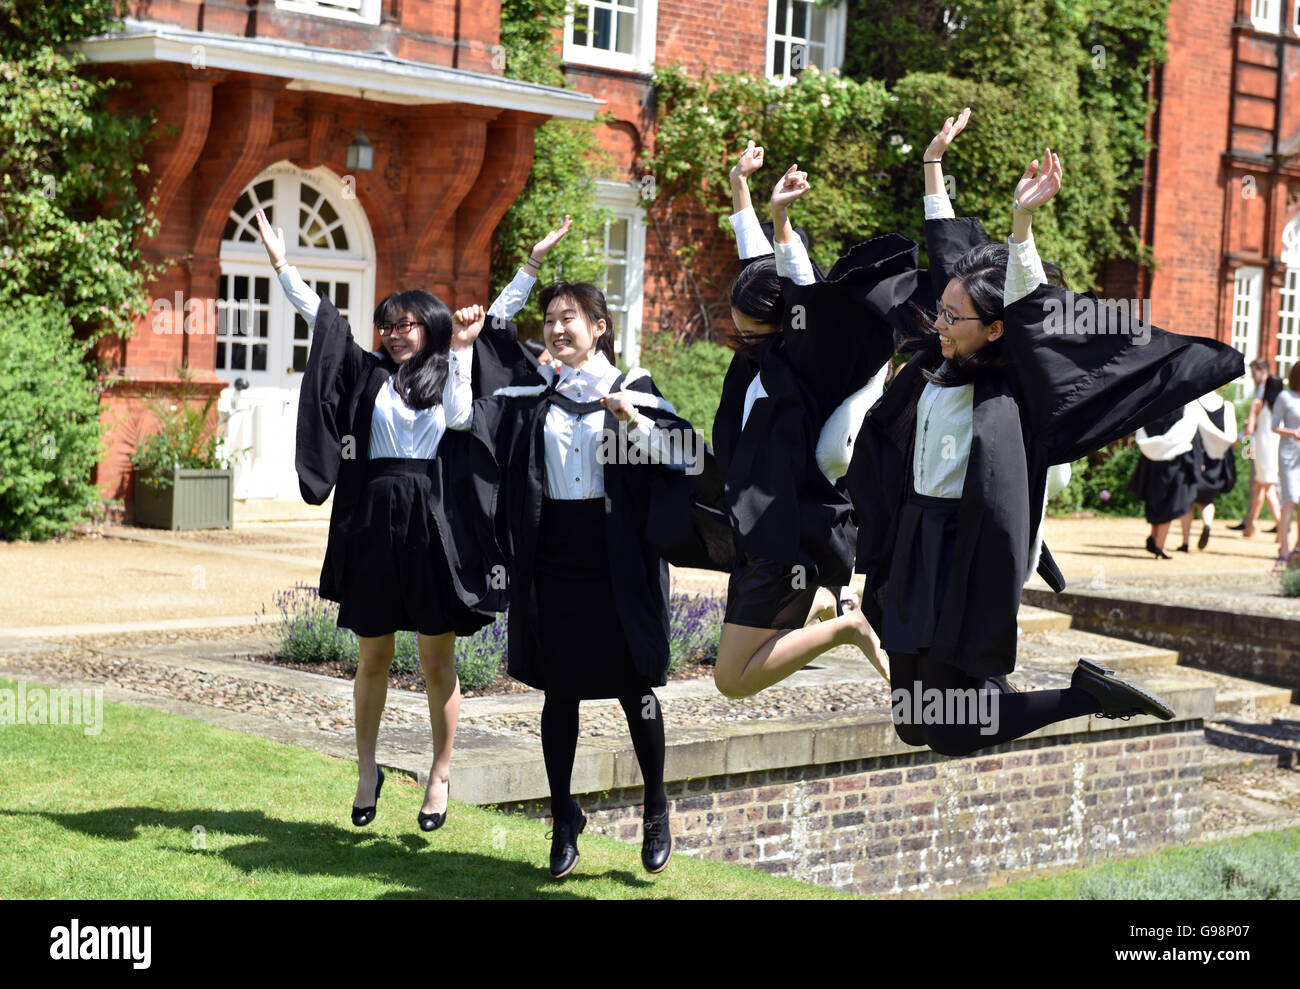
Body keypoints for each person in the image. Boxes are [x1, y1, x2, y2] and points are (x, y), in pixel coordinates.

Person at [845, 108, 1244, 757]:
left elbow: (1029, 308)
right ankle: (1050, 697)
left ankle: (1087, 695)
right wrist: (932, 167)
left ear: (994, 328)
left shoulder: (1014, 388)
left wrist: (1022, 221)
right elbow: (950, 250)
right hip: (913, 541)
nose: (938, 321)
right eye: (940, 309)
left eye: (954, 315)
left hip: (963, 553)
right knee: (913, 721)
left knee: (948, 729)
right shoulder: (935, 358)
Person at [257, 207, 569, 832]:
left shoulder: (451, 369)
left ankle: (440, 773)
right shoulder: (369, 374)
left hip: (433, 525)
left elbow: (483, 354)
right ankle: (367, 767)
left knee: (435, 663)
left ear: (427, 328)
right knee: (372, 657)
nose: (397, 333)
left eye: (407, 325)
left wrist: (530, 265)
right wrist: (282, 262)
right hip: (372, 519)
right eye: (389, 325)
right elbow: (320, 319)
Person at [451, 283, 699, 879]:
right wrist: (462, 347)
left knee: (635, 685)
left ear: (599, 326)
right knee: (559, 692)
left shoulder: (632, 386)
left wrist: (631, 419)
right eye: (550, 320)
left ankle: (656, 805)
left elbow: (686, 455)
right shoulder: (536, 395)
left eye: (570, 319)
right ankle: (564, 819)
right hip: (554, 556)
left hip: (619, 556)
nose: (558, 329)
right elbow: (461, 417)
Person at [710, 140, 928, 697]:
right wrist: (742, 187)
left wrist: (782, 219)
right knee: (733, 675)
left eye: (751, 333)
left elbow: (800, 289)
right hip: (761, 533)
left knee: (732, 680)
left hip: (783, 534)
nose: (742, 342)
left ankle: (844, 627)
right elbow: (755, 266)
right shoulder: (763, 352)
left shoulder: (807, 363)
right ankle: (837, 615)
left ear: (787, 326)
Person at [1130, 404, 1199, 559]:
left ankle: (1154, 538)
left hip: (1150, 461)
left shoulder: (1152, 406)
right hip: (1173, 463)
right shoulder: (1183, 408)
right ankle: (1160, 545)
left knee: (1154, 501)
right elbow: (1188, 434)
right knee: (1169, 504)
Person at [1176, 389, 1237, 551]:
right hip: (1217, 462)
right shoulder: (1227, 406)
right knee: (1206, 501)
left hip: (1198, 458)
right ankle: (1207, 524)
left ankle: (1185, 542)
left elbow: (1190, 432)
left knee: (1188, 501)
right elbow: (1233, 437)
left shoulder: (1194, 404)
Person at [1232, 357, 1284, 537]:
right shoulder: (1281, 405)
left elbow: (1248, 430)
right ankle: (1251, 524)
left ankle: (1281, 528)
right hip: (1273, 447)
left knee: (1266, 487)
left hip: (1260, 447)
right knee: (1259, 485)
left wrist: (1246, 427)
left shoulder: (1258, 403)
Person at [1271, 363, 1300, 567]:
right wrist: (1293, 433)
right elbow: (1274, 426)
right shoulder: (1285, 397)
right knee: (1289, 501)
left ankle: (1298, 547)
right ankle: (1284, 547)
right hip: (1289, 455)